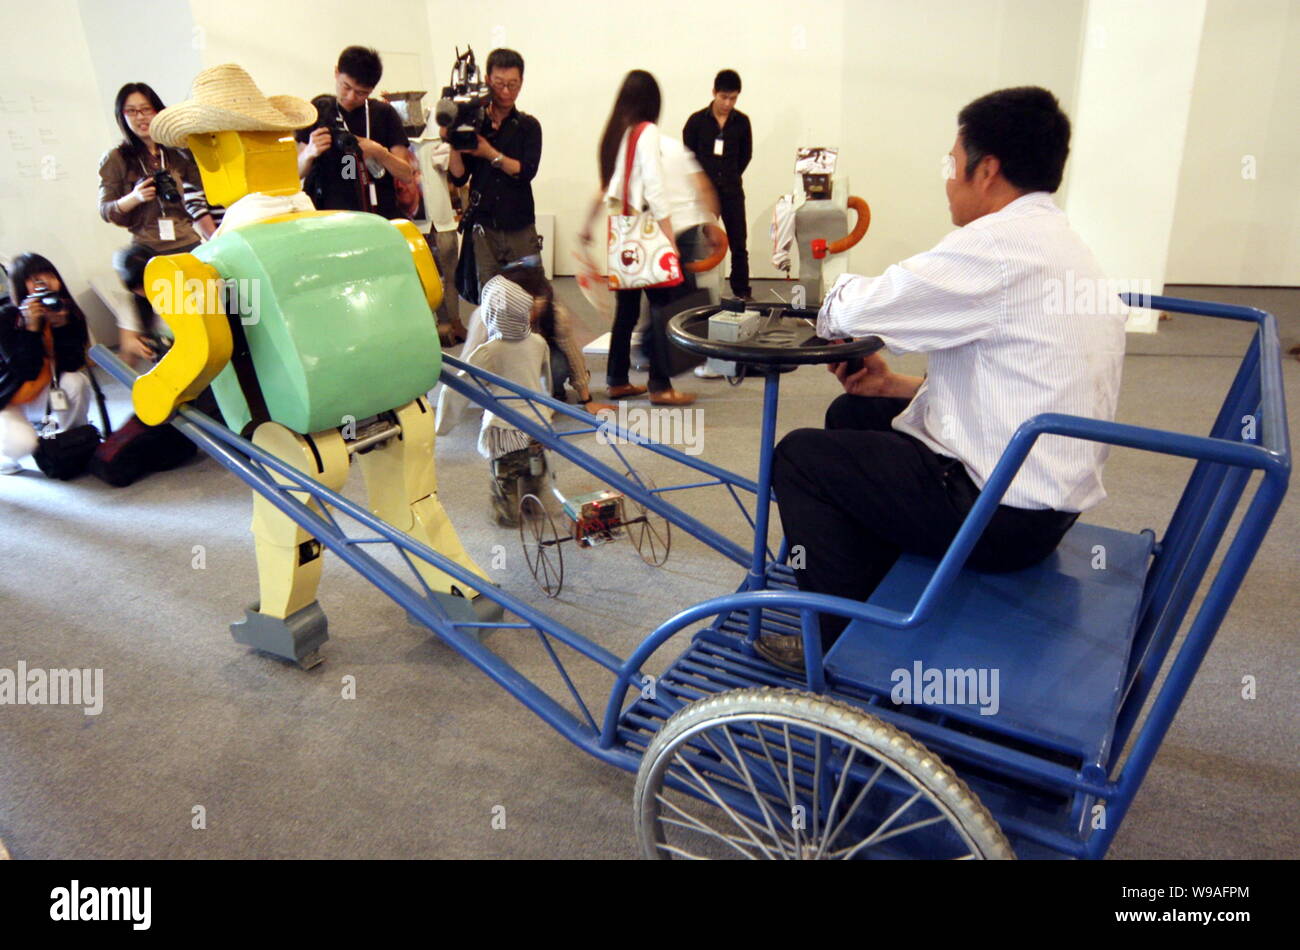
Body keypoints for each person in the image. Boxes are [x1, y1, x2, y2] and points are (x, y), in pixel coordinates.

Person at [758, 86, 1126, 673]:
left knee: (799, 458)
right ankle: (876, 578)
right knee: (852, 415)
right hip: (1040, 498)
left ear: (986, 170)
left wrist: (810, 298)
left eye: (951, 165)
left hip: (1001, 513)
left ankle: (843, 648)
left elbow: (865, 307)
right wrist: (894, 385)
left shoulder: (997, 247)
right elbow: (1011, 380)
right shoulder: (1057, 242)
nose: (947, 180)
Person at [583, 70, 706, 407]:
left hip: (624, 233)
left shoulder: (620, 134)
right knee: (662, 308)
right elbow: (654, 184)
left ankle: (617, 379)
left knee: (626, 310)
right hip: (646, 232)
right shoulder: (646, 131)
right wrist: (667, 231)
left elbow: (612, 186)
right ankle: (660, 385)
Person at [99, 82, 216, 363]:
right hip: (149, 251)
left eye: (146, 109)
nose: (140, 117)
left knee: (204, 321)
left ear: (158, 111)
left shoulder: (176, 153)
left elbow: (206, 186)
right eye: (131, 111)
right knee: (169, 328)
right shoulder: (117, 159)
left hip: (187, 245)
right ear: (122, 116)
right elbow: (106, 210)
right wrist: (135, 197)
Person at [435, 276, 553, 526]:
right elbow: (546, 383)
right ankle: (532, 504)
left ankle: (508, 515)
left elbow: (458, 388)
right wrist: (547, 415)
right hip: (535, 425)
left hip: (503, 429)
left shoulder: (489, 351)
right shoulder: (539, 342)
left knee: (505, 479)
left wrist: (443, 425)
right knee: (534, 469)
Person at [446, 48, 543, 291]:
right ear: (487, 80)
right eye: (500, 84)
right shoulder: (474, 124)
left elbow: (526, 171)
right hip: (483, 224)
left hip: (519, 222)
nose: (507, 92)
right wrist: (453, 139)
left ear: (521, 83)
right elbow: (458, 177)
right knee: (490, 296)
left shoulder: (528, 126)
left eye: (514, 84)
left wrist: (490, 153)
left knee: (530, 294)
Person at [296, 46, 418, 218]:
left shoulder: (384, 114)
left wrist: (378, 152)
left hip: (378, 214)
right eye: (346, 87)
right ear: (336, 73)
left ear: (372, 89)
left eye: (362, 93)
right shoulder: (320, 110)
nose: (351, 97)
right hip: (329, 216)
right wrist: (309, 153)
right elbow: (296, 173)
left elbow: (406, 174)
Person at [0, 255, 93, 474]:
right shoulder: (6, 316)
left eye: (49, 275)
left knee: (76, 382)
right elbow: (24, 370)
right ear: (20, 286)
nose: (43, 283)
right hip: (9, 396)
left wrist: (62, 327)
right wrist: (31, 330)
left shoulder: (66, 310)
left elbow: (75, 363)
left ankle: (72, 439)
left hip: (46, 390)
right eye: (34, 279)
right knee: (22, 444)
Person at [683, 69, 752, 301]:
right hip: (705, 194)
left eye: (733, 98)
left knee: (738, 242)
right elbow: (688, 156)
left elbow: (746, 155)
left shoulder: (742, 123)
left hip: (732, 190)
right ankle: (697, 292)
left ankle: (741, 290)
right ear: (714, 93)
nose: (727, 103)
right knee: (700, 242)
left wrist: (731, 175)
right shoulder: (696, 122)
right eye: (724, 97)